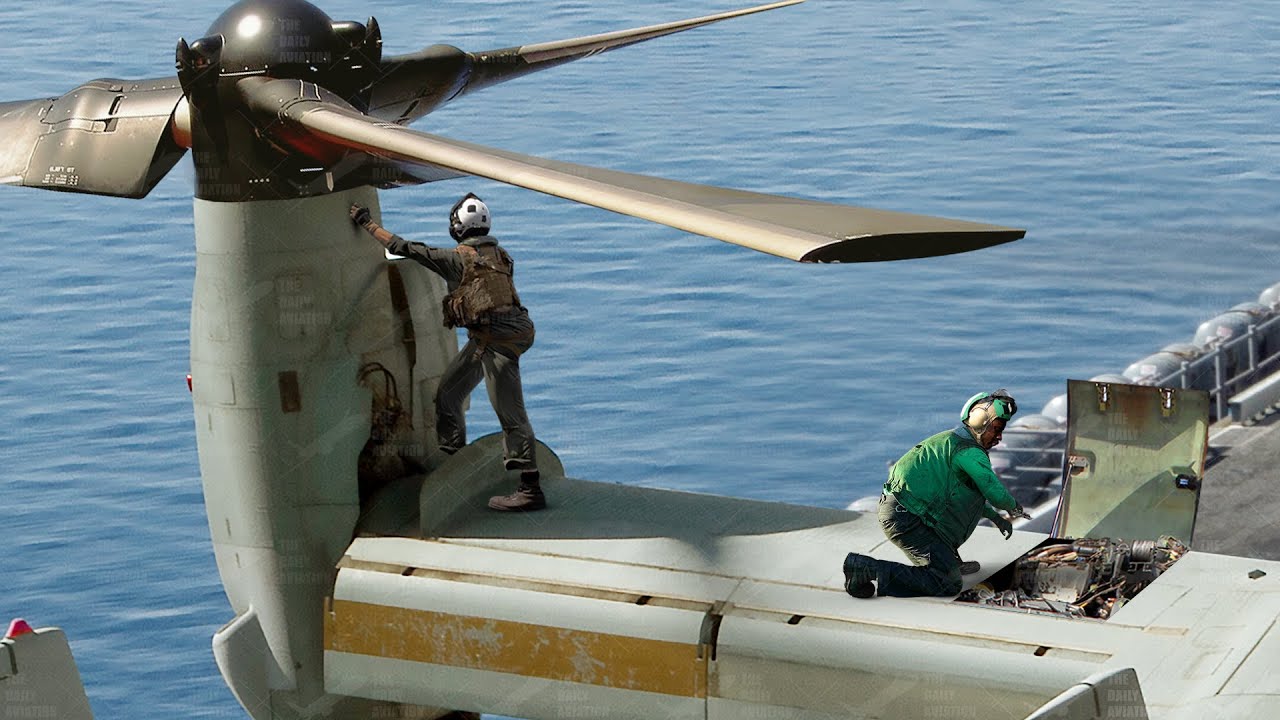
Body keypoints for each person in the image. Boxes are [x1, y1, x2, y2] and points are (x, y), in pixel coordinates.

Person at [350, 194, 546, 512]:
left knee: (511, 413)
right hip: (494, 337)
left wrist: (367, 223)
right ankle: (456, 462)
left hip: (499, 343)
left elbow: (403, 247)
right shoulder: (501, 255)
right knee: (448, 395)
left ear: (457, 227)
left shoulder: (455, 259)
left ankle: (530, 488)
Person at [843, 390, 1027, 599]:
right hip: (907, 517)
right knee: (946, 584)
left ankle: (948, 561)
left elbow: (969, 497)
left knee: (954, 512)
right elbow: (994, 492)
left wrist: (995, 517)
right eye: (996, 430)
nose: (999, 437)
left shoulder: (951, 442)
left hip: (908, 511)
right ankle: (866, 568)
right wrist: (1013, 506)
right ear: (980, 422)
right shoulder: (968, 452)